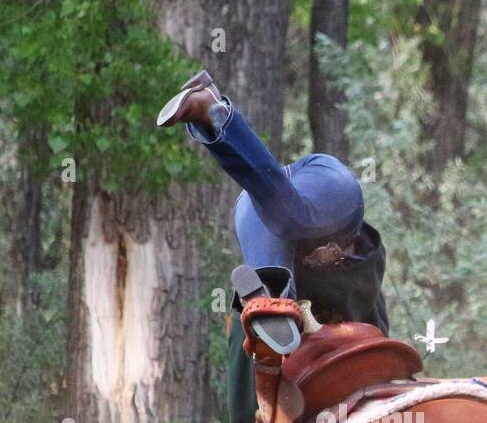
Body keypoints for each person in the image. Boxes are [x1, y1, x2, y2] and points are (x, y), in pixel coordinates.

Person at [157, 70, 388, 334]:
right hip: (327, 190)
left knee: (272, 303)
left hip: (259, 207)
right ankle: (213, 110)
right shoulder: (363, 285)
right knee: (287, 241)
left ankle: (266, 311)